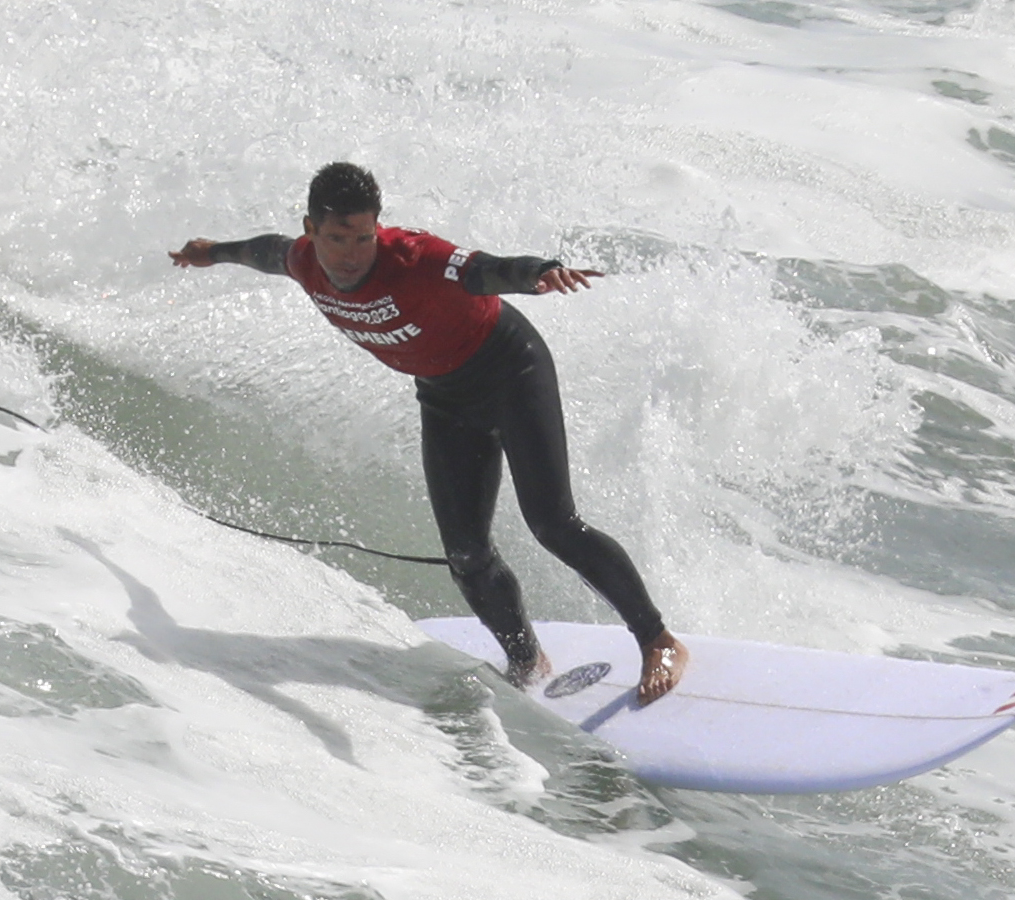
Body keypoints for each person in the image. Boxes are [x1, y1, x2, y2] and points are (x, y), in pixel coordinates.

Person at [169, 162, 688, 704]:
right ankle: (527, 662)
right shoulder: (302, 260)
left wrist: (539, 271)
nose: (350, 254)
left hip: (511, 370)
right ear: (311, 229)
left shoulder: (416, 258)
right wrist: (211, 252)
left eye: (363, 238)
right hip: (445, 398)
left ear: (379, 229)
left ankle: (658, 639)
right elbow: (262, 251)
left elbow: (484, 270)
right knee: (466, 554)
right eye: (337, 238)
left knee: (552, 523)